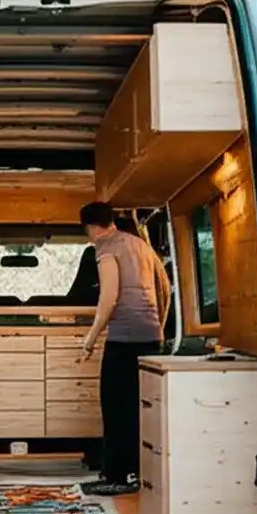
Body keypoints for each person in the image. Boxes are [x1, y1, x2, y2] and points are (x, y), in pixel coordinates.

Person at [77, 202, 170, 496]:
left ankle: (117, 476)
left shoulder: (105, 247)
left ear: (90, 227)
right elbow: (165, 288)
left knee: (116, 408)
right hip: (150, 338)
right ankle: (137, 474)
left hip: (123, 340)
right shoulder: (140, 245)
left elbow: (109, 299)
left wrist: (90, 339)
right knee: (141, 408)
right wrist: (159, 326)